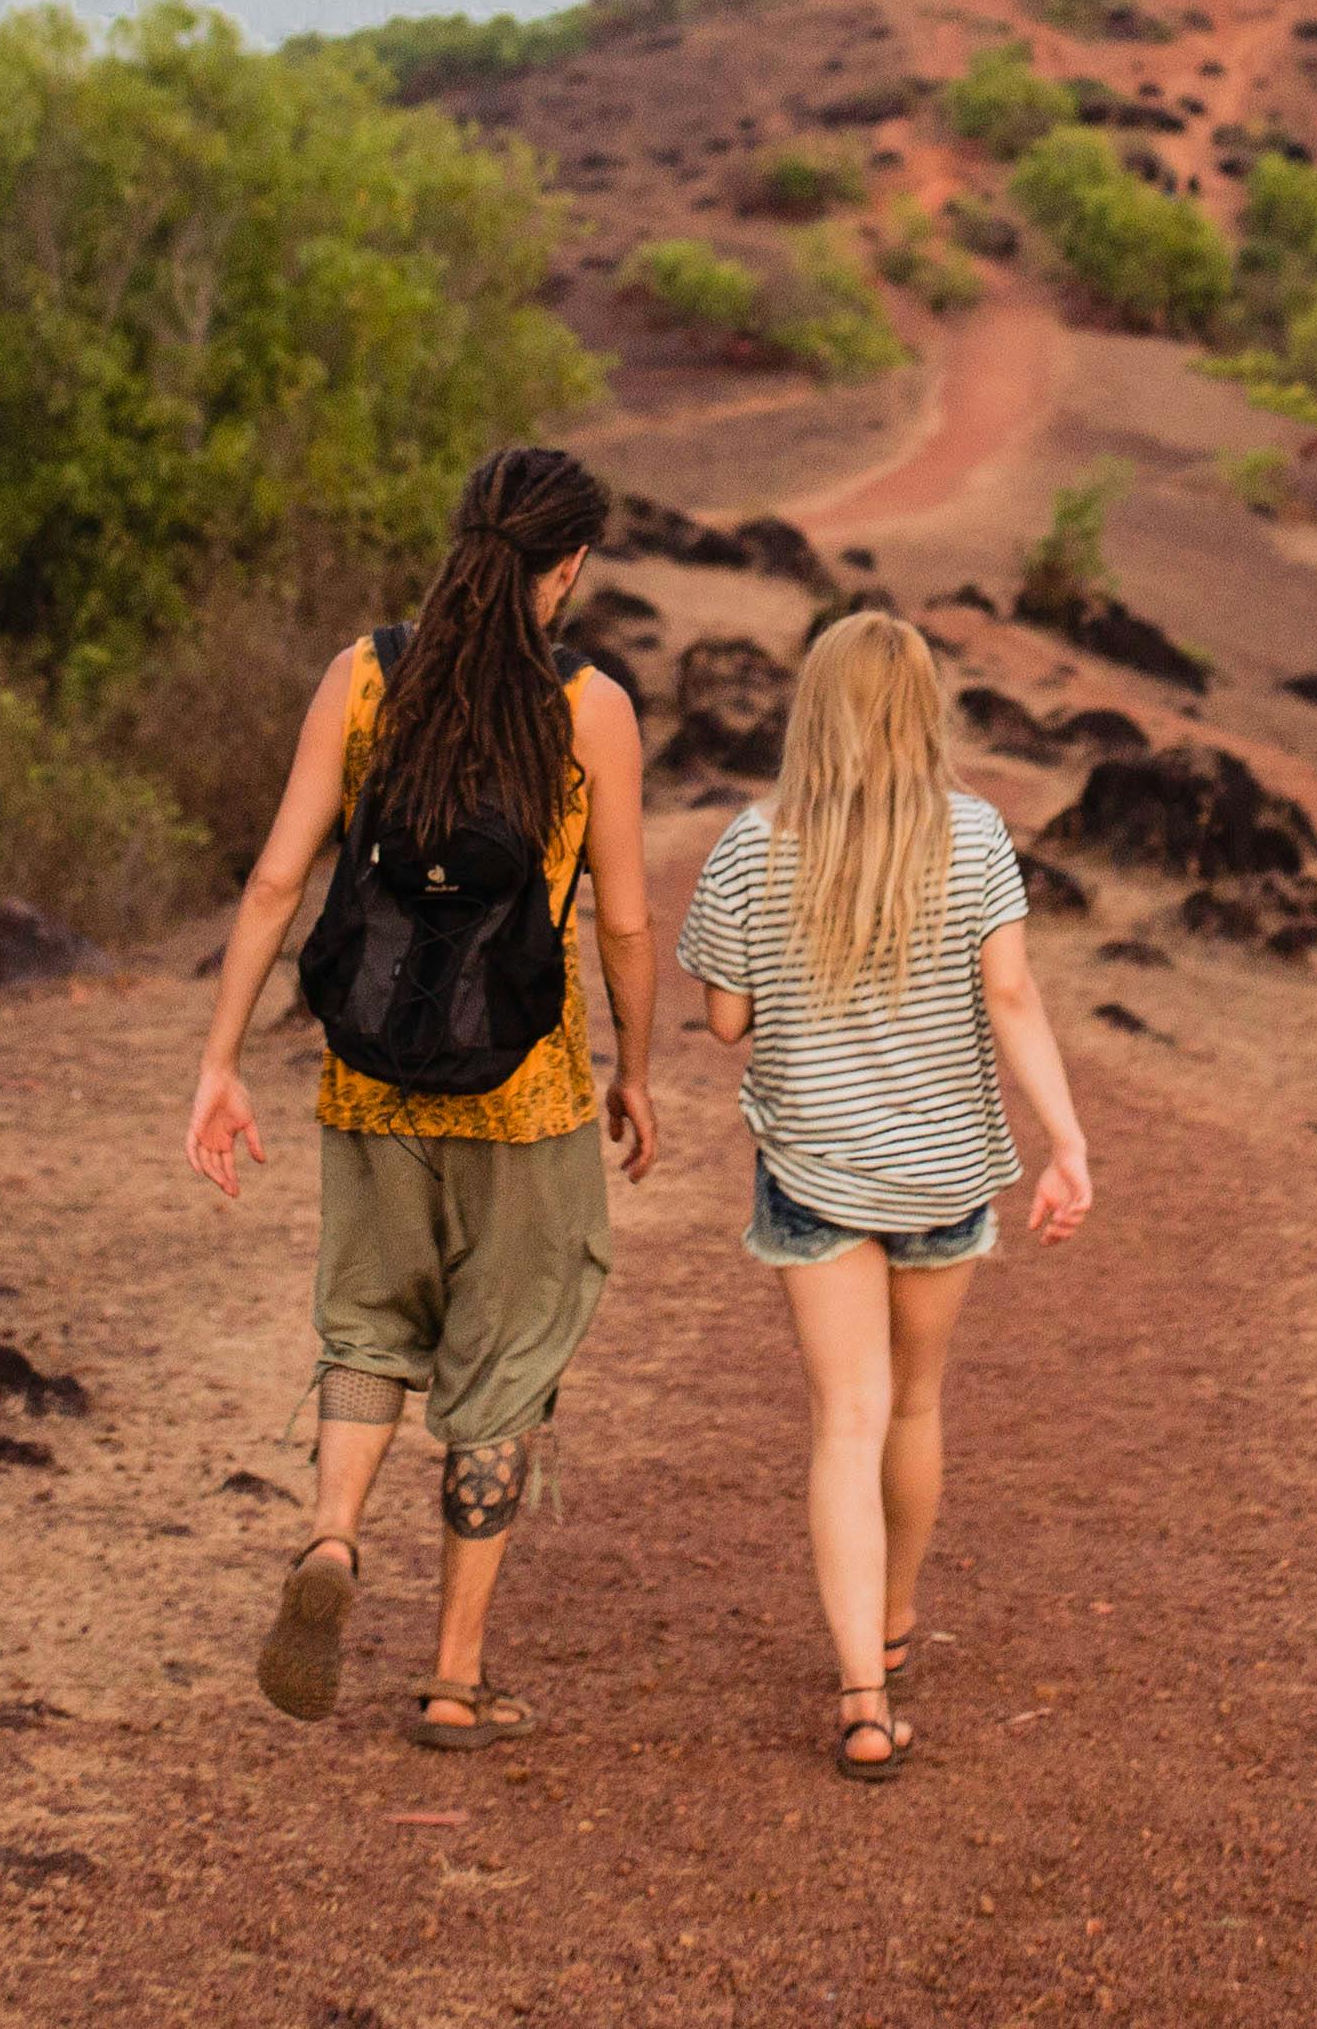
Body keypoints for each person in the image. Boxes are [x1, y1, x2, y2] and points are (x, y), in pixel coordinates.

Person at [185, 446, 656, 1749]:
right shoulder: (590, 709)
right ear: (568, 568)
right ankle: (454, 1676)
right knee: (499, 1379)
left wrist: (220, 1061)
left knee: (369, 1331)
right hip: (529, 1093)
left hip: (372, 1078)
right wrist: (638, 1069)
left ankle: (334, 1538)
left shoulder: (365, 674)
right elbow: (621, 920)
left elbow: (278, 882)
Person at [683, 610, 1095, 1780]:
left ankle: (863, 1693)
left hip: (814, 1167)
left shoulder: (751, 843)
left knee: (844, 1423)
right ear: (925, 712)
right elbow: (1011, 999)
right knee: (914, 1407)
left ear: (814, 707)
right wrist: (1066, 1141)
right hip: (943, 1170)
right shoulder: (974, 838)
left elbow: (722, 1021)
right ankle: (898, 1618)